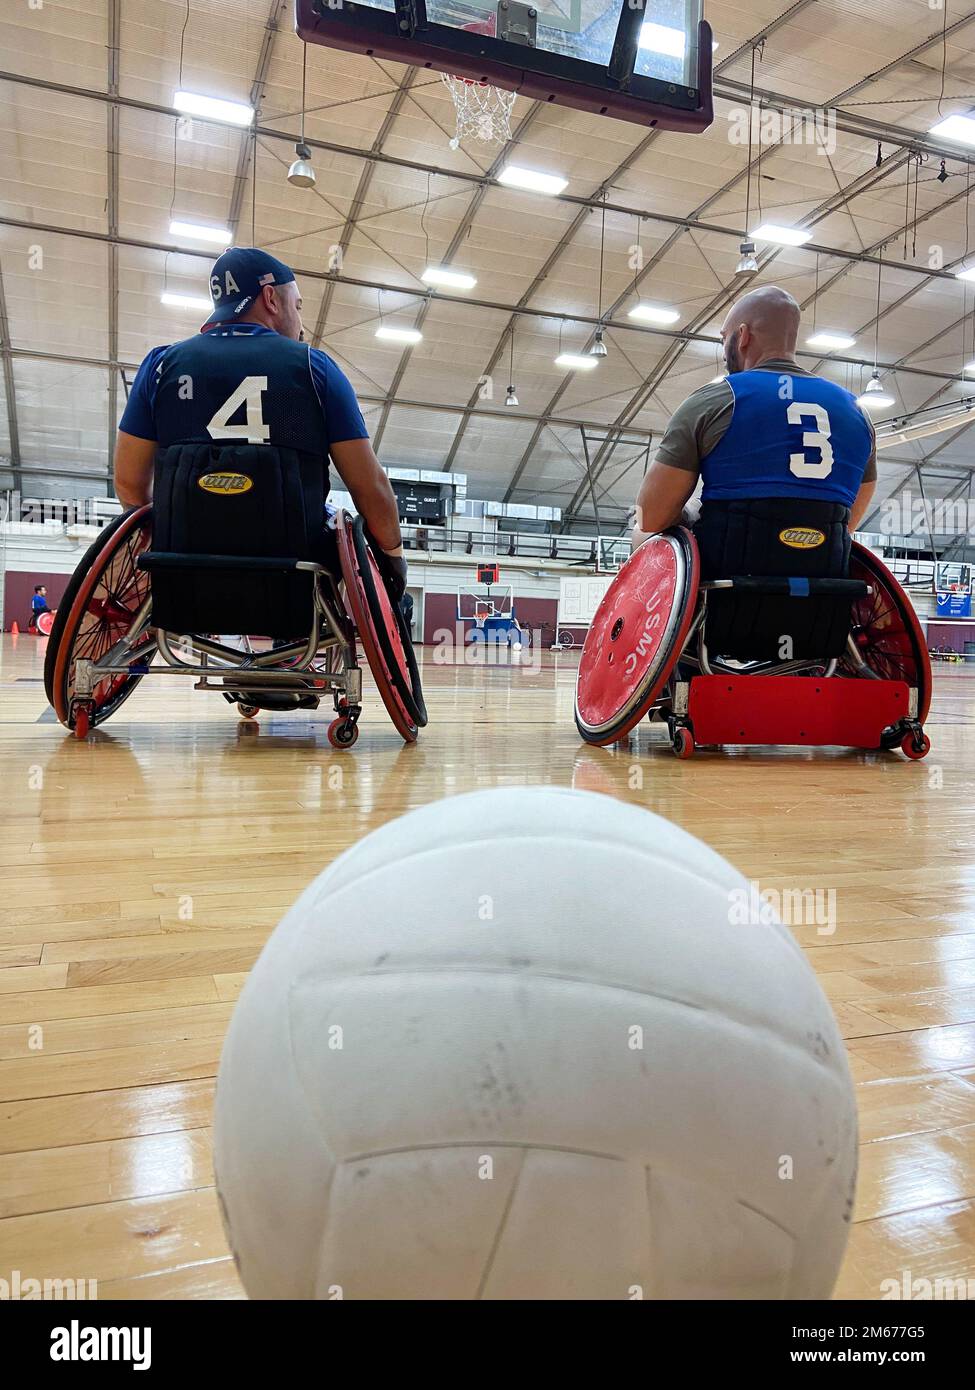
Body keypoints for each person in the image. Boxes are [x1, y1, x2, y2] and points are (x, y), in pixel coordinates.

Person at [112, 247, 406, 599]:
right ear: (271, 298)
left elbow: (129, 485)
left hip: (181, 569)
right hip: (293, 574)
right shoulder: (315, 369)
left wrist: (168, 534)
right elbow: (370, 487)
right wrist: (393, 560)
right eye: (297, 306)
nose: (300, 322)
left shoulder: (161, 365)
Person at [630, 285, 877, 578]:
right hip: (823, 592)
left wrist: (690, 514)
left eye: (724, 338)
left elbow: (653, 516)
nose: (723, 350)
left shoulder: (715, 400)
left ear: (743, 336)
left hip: (729, 592)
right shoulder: (858, 414)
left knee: (640, 529)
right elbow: (849, 522)